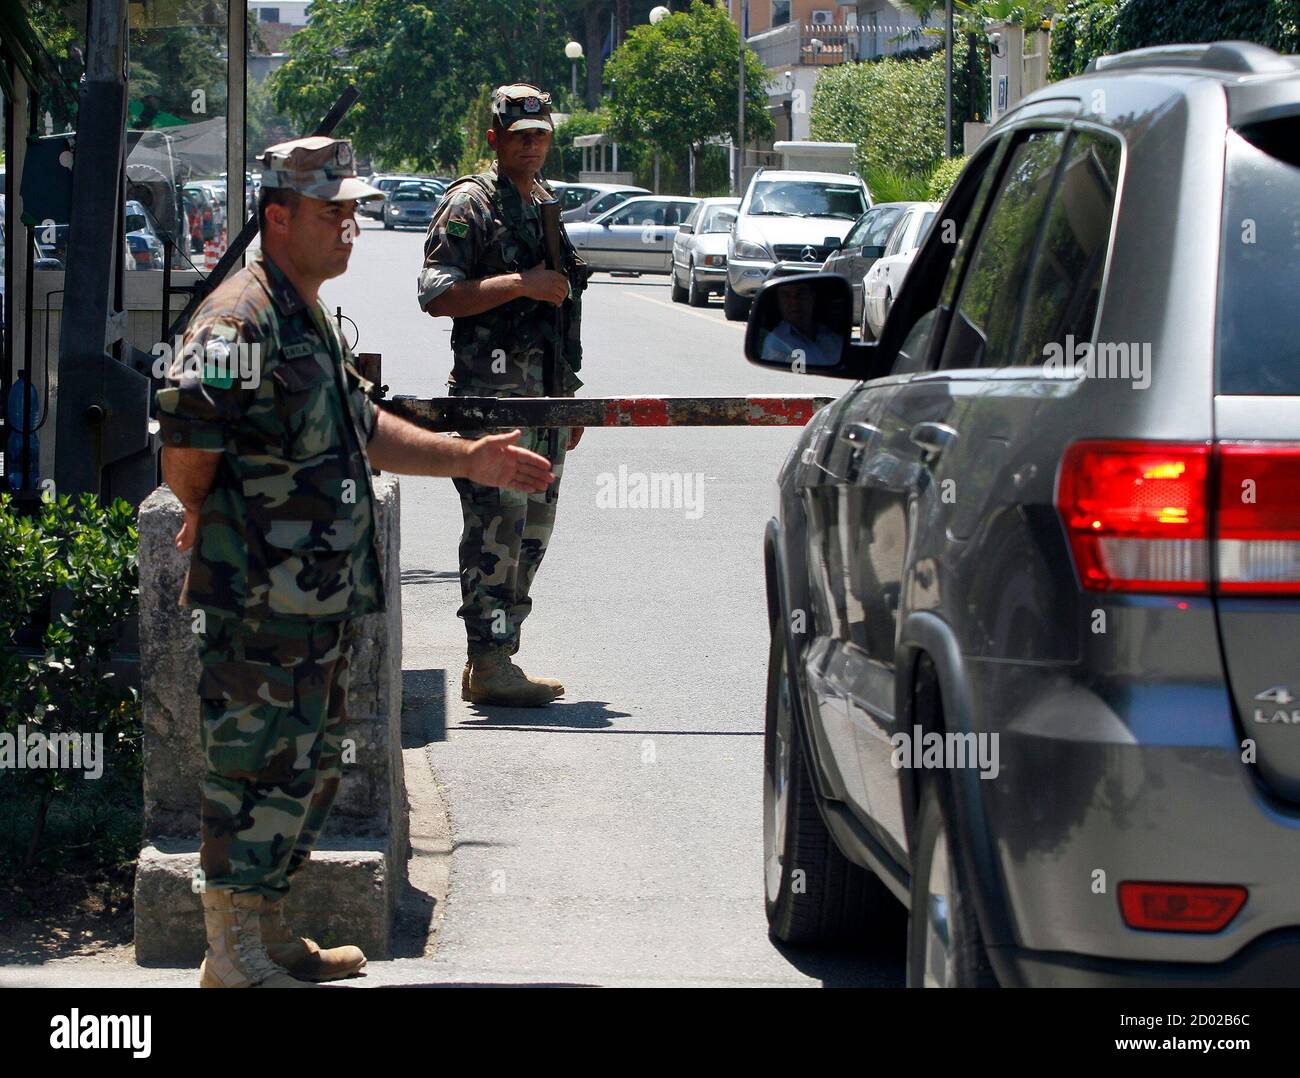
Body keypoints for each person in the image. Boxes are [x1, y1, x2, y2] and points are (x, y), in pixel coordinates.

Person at [155, 135, 555, 988]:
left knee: (307, 767)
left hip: (318, 597)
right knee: (250, 768)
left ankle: (272, 932)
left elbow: (365, 430)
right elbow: (185, 443)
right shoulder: (239, 318)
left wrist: (466, 456)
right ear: (278, 217)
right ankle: (229, 954)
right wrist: (205, 512)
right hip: (258, 599)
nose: (350, 228)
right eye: (332, 212)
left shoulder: (307, 316)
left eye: (352, 213)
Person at [418, 83, 590, 708]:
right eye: (520, 137)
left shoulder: (543, 203)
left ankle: (494, 656)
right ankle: (489, 662)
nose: (532, 146)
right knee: (497, 532)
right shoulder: (472, 203)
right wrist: (521, 283)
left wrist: (567, 395)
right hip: (492, 404)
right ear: (495, 139)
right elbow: (437, 294)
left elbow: (562, 310)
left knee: (532, 535)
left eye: (541, 135)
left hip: (544, 401)